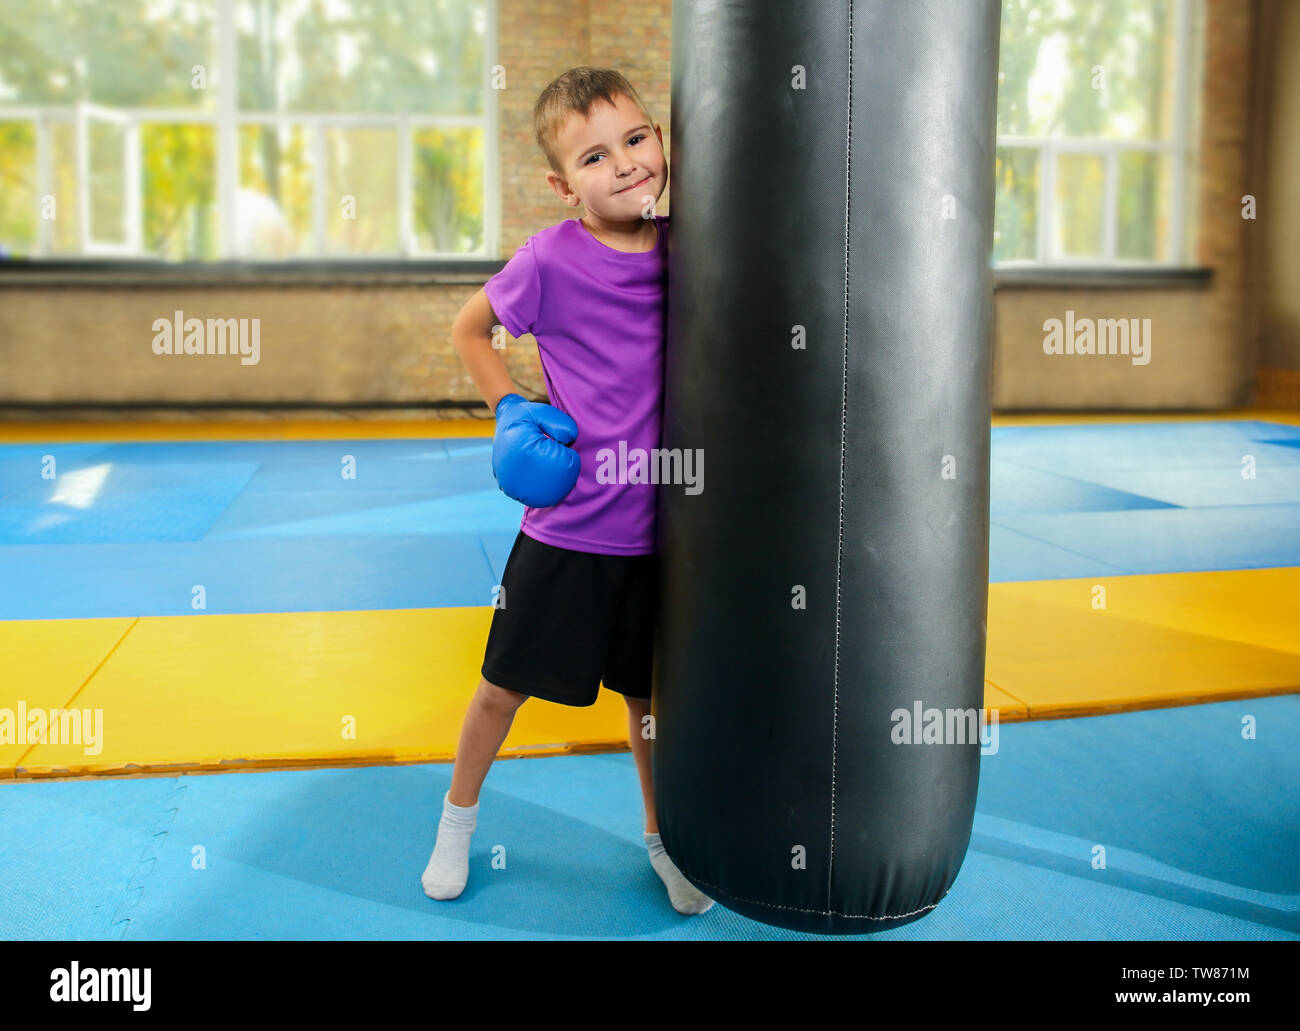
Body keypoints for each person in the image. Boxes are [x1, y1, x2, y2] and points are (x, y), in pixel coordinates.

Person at [421, 67, 713, 917]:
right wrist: (510, 406)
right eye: (595, 155)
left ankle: (665, 840)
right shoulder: (551, 257)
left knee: (650, 703)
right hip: (572, 526)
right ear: (562, 183)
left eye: (636, 138)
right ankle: (455, 821)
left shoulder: (692, 249)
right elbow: (471, 327)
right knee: (500, 687)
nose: (624, 164)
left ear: (661, 141)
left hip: (665, 533)